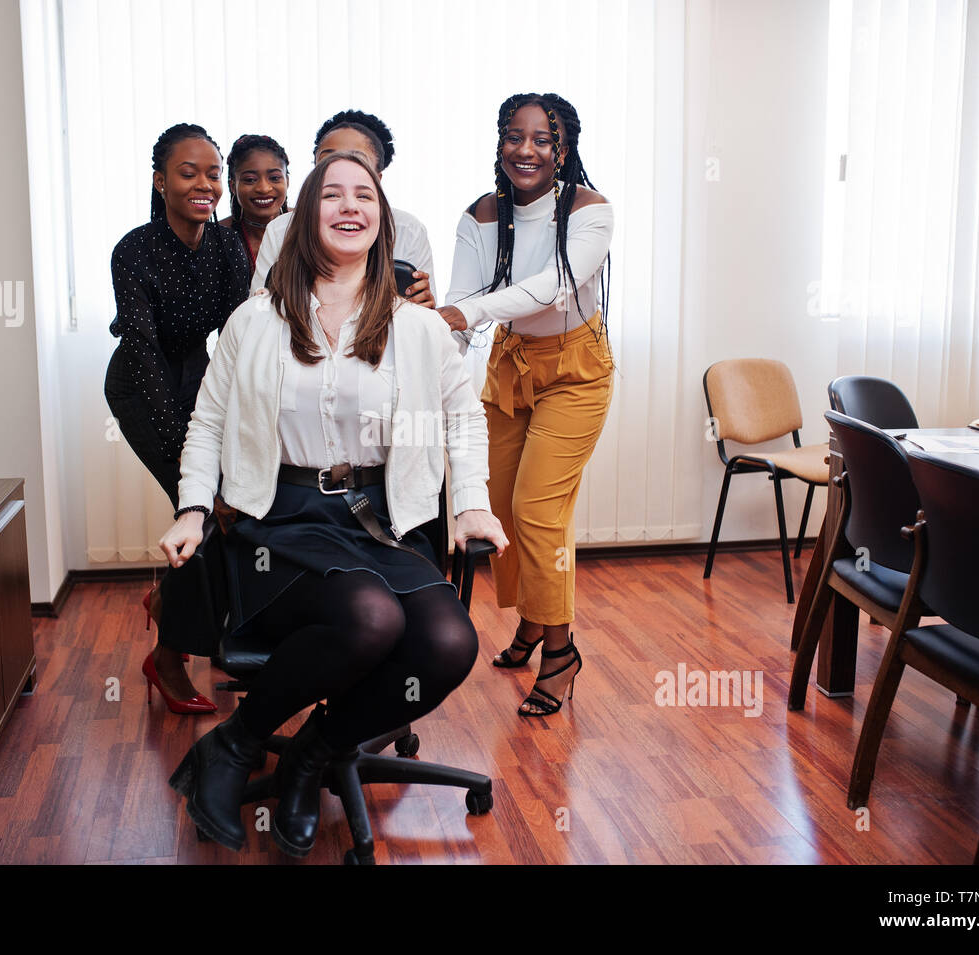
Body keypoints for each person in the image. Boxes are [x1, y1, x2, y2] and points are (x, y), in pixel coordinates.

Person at [160, 152, 508, 857]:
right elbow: (208, 421)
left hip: (378, 521)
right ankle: (238, 743)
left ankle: (312, 752)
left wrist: (470, 502)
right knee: (371, 617)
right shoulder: (253, 322)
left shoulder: (417, 328)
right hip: (281, 523)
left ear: (381, 220)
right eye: (333, 196)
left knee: (449, 642)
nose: (352, 207)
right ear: (305, 217)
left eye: (366, 197)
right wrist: (194, 507)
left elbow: (462, 420)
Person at [439, 93, 614, 718]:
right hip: (510, 365)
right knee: (500, 508)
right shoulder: (481, 214)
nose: (527, 149)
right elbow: (460, 303)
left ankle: (560, 651)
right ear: (500, 143)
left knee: (539, 512)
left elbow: (556, 284)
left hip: (575, 371)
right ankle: (535, 620)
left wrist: (470, 311)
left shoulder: (590, 211)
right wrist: (438, 360)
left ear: (563, 147)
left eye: (543, 138)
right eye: (515, 136)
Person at [104, 123, 250, 715]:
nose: (204, 184)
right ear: (160, 180)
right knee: (204, 512)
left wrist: (239, 426)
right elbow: (141, 348)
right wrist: (183, 442)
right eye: (188, 172)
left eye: (213, 173)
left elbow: (241, 339)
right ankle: (167, 657)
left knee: (234, 508)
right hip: (143, 390)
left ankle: (179, 611)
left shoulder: (226, 246)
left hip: (200, 380)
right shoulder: (133, 250)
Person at [251, 109, 437, 308]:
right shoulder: (281, 229)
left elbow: (434, 326)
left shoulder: (409, 230)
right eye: (328, 160)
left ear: (377, 179)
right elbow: (256, 311)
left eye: (357, 162)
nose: (341, 168)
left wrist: (425, 312)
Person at [218, 133, 290, 271]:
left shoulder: (307, 226)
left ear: (287, 181)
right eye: (250, 179)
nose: (263, 188)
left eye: (274, 178)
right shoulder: (218, 237)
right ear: (233, 186)